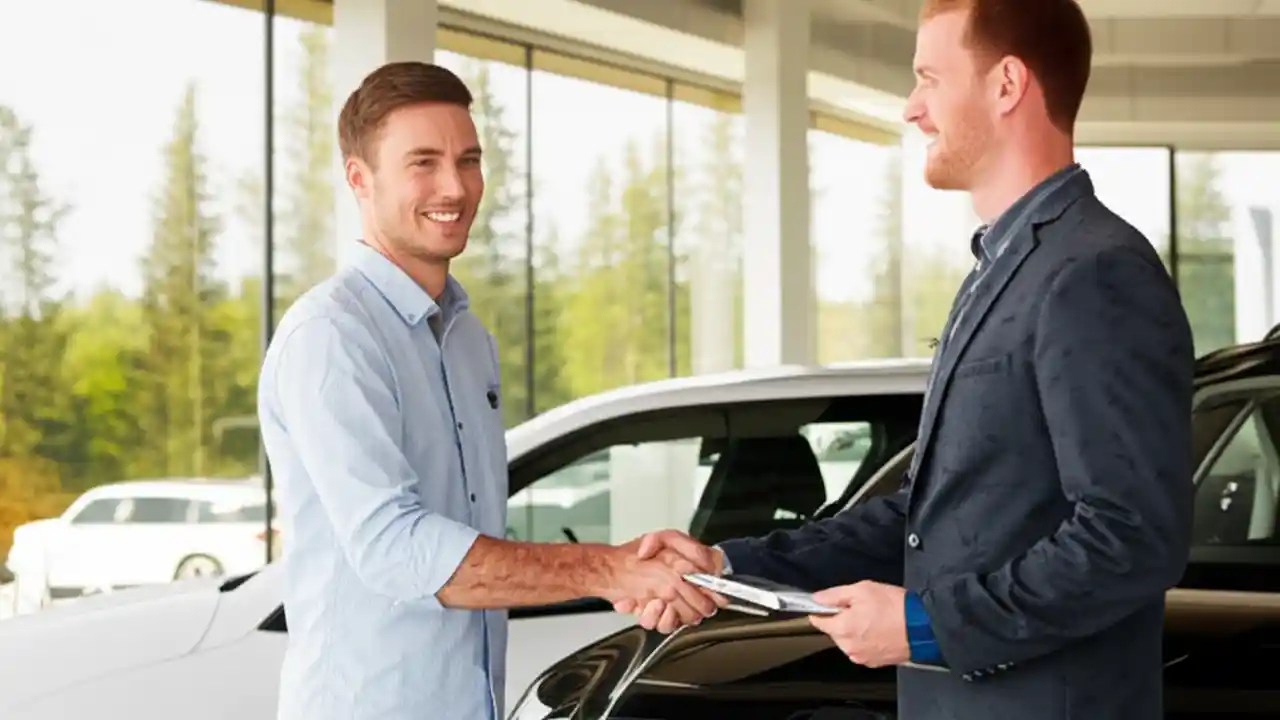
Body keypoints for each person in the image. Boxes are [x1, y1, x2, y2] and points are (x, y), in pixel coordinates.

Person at [617, 1, 1195, 718]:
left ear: (1007, 84)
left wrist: (925, 625)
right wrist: (732, 567)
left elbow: (1132, 536)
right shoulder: (1004, 267)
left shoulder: (1095, 273)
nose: (910, 109)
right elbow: (928, 519)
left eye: (928, 78)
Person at [256, 61, 721, 720]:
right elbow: (396, 548)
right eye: (423, 162)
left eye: (468, 160)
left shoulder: (467, 338)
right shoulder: (331, 337)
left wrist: (630, 570)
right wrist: (611, 570)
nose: (455, 186)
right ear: (359, 178)